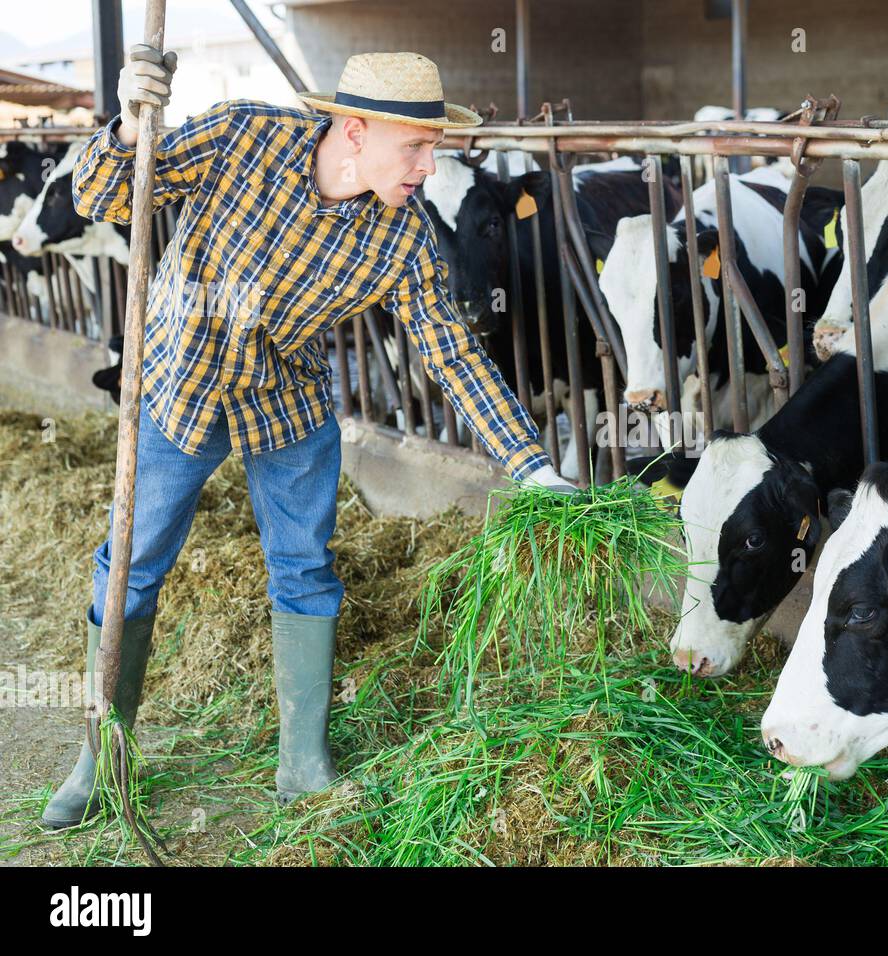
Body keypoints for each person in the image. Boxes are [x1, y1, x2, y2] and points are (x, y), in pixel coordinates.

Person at [41, 48, 576, 829]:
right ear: (353, 130)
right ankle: (100, 755)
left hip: (286, 404)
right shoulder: (239, 137)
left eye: (435, 148)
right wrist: (129, 124)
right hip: (177, 386)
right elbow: (101, 193)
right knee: (130, 564)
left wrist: (533, 469)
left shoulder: (401, 240)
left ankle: (303, 764)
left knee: (305, 569)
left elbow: (451, 353)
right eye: (417, 148)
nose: (430, 167)